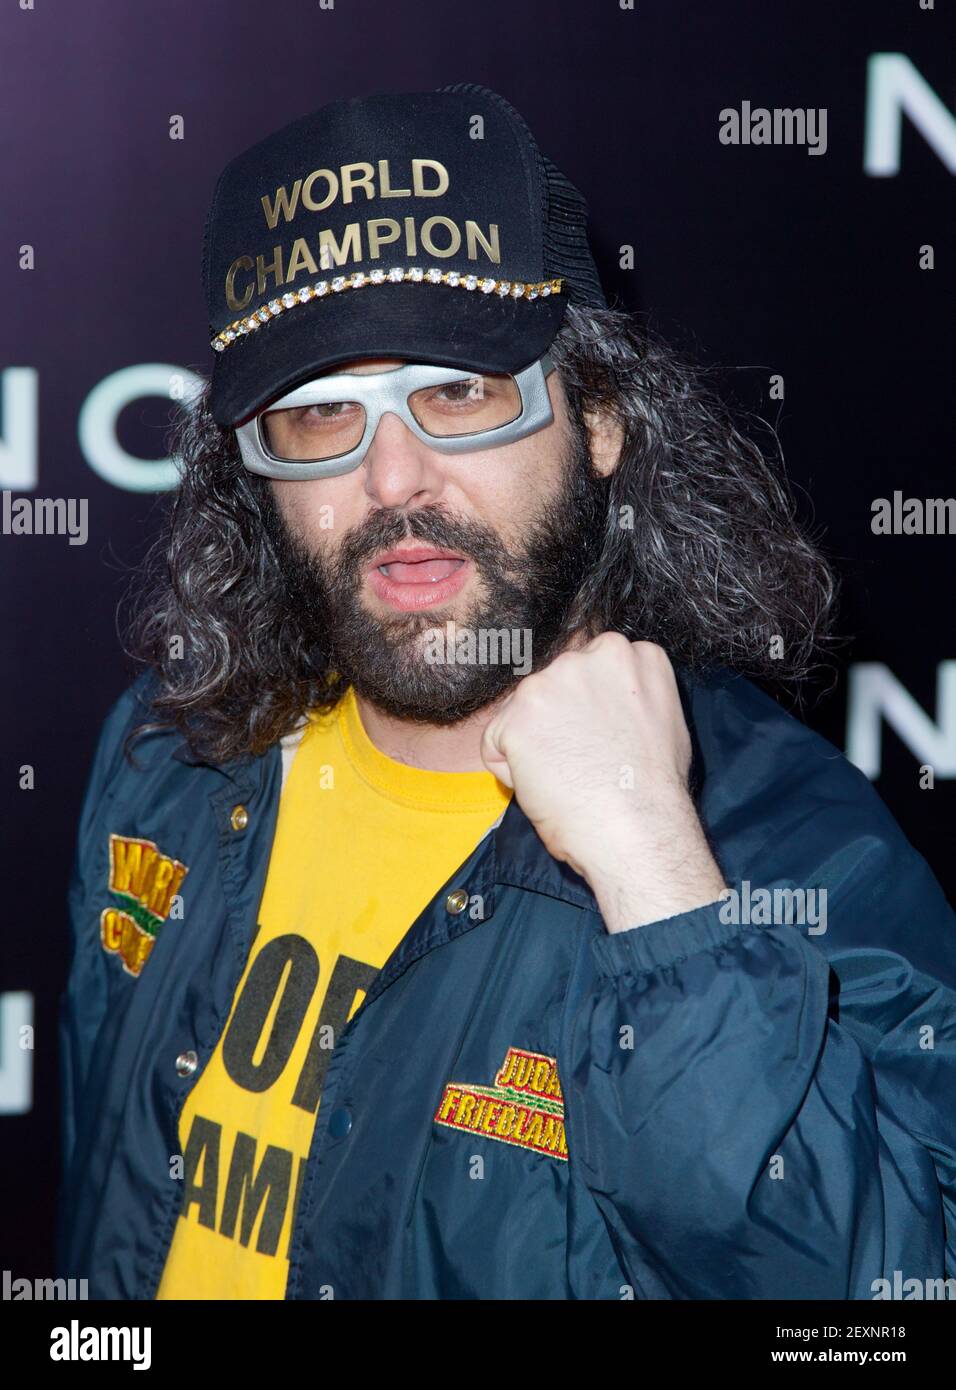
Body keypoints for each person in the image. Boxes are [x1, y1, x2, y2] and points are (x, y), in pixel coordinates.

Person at [57, 82, 956, 1301]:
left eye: (459, 392)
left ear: (595, 420)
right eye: (319, 414)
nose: (391, 477)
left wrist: (658, 886)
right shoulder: (171, 750)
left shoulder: (787, 856)